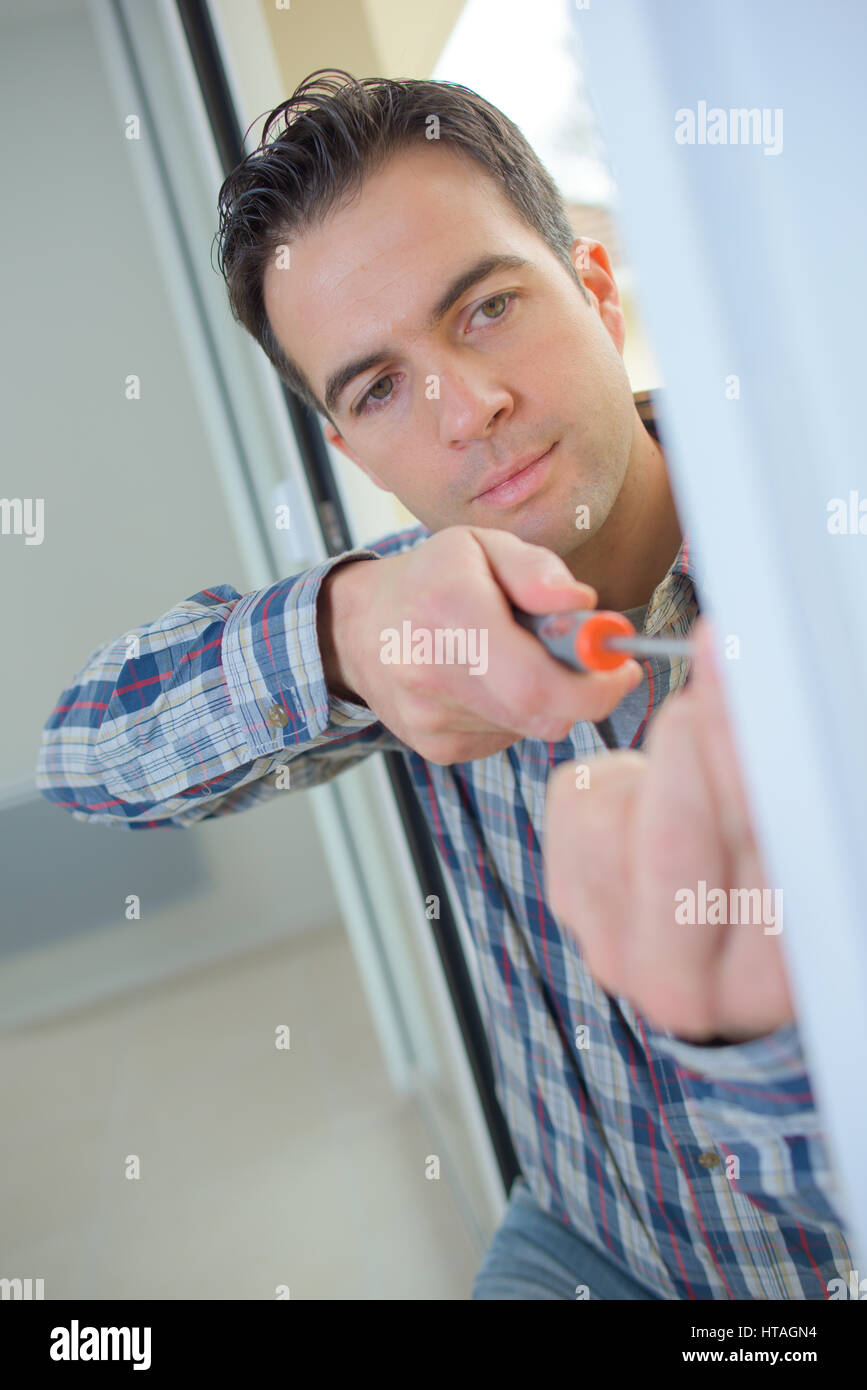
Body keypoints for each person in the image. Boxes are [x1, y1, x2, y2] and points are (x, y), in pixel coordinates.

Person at [35, 70, 851, 1300]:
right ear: (349, 448)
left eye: (485, 310)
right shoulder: (410, 623)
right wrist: (349, 639)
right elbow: (82, 763)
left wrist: (753, 1046)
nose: (470, 411)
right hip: (578, 1236)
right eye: (378, 387)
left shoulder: (824, 564)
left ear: (598, 288)